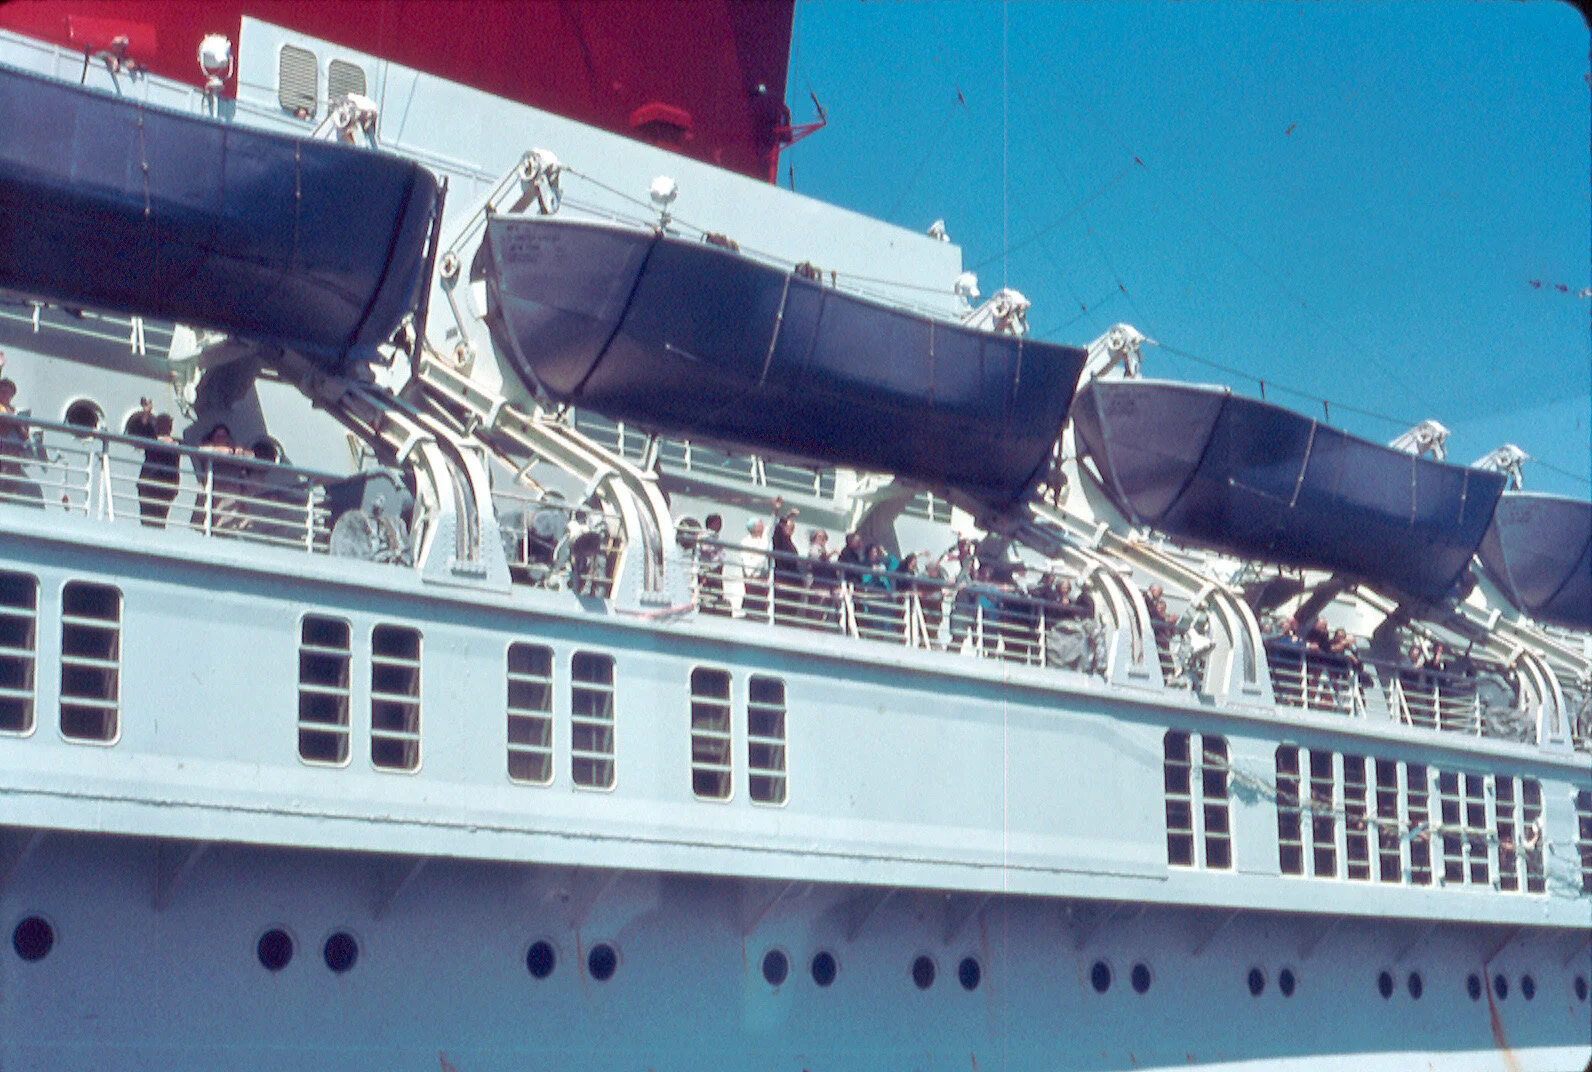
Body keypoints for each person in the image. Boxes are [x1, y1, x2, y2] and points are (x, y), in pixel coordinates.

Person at [125, 399, 181, 527]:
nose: (164, 426)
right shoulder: (151, 438)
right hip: (149, 483)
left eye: (166, 424)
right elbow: (141, 429)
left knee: (160, 520)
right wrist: (146, 413)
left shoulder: (176, 443)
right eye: (161, 423)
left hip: (167, 485)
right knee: (147, 518)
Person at [189, 423, 249, 533]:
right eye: (219, 436)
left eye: (224, 437)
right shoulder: (209, 453)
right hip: (212, 504)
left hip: (230, 506)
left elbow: (251, 458)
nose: (222, 439)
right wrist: (222, 451)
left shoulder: (235, 457)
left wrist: (239, 452)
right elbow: (200, 451)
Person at [737, 517, 770, 619]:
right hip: (753, 581)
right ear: (754, 527)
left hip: (764, 582)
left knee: (762, 608)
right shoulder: (745, 542)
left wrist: (776, 511)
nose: (763, 526)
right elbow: (748, 568)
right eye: (760, 524)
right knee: (752, 609)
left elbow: (771, 528)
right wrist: (761, 559)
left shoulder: (764, 539)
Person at [697, 514, 728, 615]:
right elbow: (706, 550)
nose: (720, 525)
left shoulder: (716, 538)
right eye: (717, 523)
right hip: (708, 570)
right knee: (707, 596)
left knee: (717, 596)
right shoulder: (705, 536)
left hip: (717, 572)